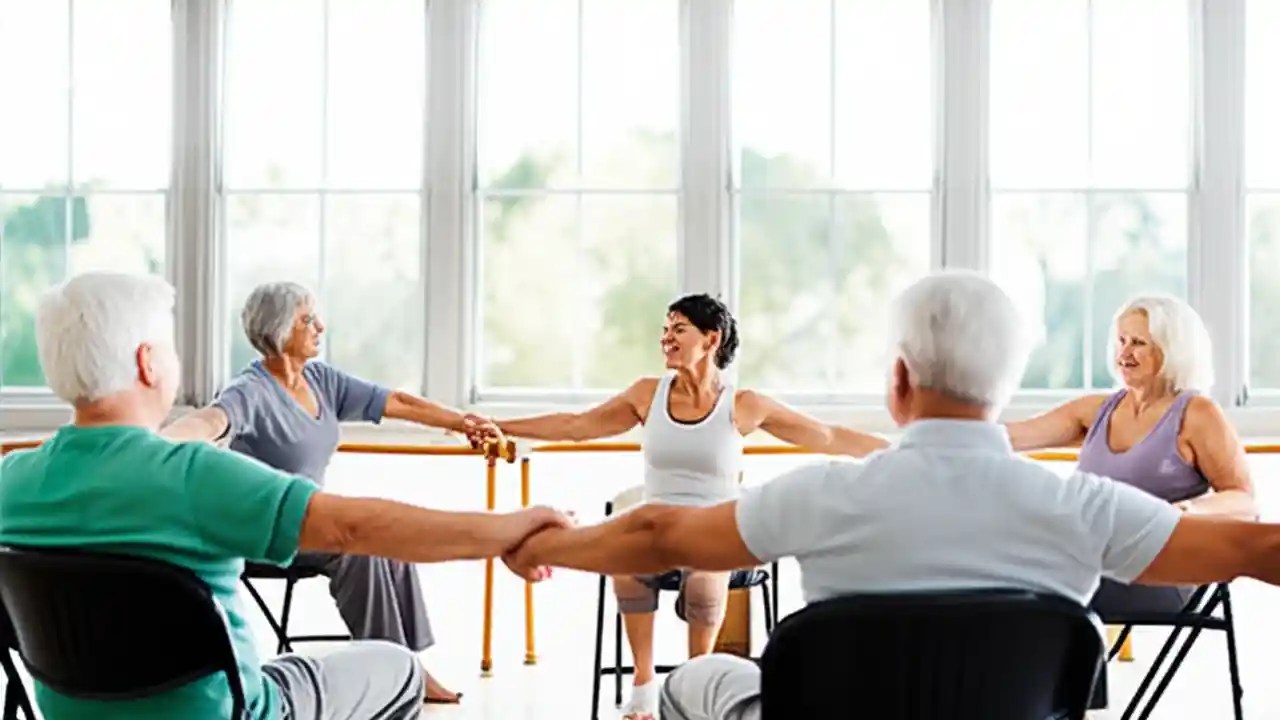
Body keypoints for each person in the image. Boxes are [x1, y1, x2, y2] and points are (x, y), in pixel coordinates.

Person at [502, 270, 1280, 720]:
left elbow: (656, 537)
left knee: (693, 683)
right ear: (1004, 387)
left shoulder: (822, 497)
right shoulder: (1083, 509)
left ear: (900, 381)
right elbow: (1260, 545)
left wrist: (530, 542)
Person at [0, 271, 566, 720]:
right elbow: (355, 527)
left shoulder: (12, 480)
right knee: (395, 670)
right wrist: (514, 528)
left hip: (72, 710)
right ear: (149, 362)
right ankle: (415, 666)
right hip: (239, 711)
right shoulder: (190, 472)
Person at [472, 293, 887, 720]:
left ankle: (693, 685)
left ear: (711, 339)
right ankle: (645, 686)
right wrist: (499, 426)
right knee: (626, 566)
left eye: (678, 329)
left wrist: (896, 451)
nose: (666, 338)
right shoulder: (646, 395)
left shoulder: (743, 405)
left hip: (717, 531)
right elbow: (575, 425)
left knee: (705, 587)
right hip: (658, 530)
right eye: (665, 329)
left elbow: (827, 436)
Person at [161, 281, 497, 704]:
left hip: (310, 522)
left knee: (390, 535)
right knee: (359, 545)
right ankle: (395, 672)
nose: (320, 326)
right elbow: (211, 420)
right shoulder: (251, 390)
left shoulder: (319, 380)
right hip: (265, 531)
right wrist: (157, 444)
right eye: (307, 319)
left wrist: (463, 421)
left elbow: (398, 401)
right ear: (280, 330)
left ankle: (408, 664)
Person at [1004, 294, 1257, 707]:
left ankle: (1061, 705)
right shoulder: (1097, 410)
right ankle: (1061, 705)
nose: (1125, 352)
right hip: (1096, 562)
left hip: (1165, 570)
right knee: (1011, 576)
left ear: (1171, 348)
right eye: (1121, 340)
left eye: (1138, 342)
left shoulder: (1197, 413)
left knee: (1033, 583)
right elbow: (1014, 437)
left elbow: (1244, 499)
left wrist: (1185, 512)